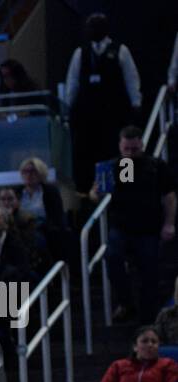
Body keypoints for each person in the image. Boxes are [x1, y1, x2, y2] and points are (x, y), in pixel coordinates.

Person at [93, 127, 177, 325]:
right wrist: (96, 192)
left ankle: (147, 320)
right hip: (122, 225)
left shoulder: (156, 166)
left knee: (149, 270)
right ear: (120, 147)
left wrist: (169, 223)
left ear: (142, 145)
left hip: (148, 227)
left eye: (134, 149)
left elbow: (169, 196)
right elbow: (97, 194)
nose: (130, 153)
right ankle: (126, 302)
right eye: (126, 149)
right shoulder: (117, 166)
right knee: (112, 256)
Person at [66, 13, 142, 192]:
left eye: (95, 27)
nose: (91, 31)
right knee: (88, 154)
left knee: (121, 151)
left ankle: (126, 186)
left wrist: (136, 103)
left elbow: (132, 79)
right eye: (89, 27)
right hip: (88, 116)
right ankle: (90, 192)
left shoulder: (120, 50)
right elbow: (72, 83)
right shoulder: (80, 53)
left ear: (105, 29)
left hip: (115, 114)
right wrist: (68, 107)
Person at [95, 326, 178, 382]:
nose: (150, 345)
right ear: (135, 347)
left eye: (154, 342)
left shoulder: (168, 364)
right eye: (144, 341)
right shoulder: (118, 365)